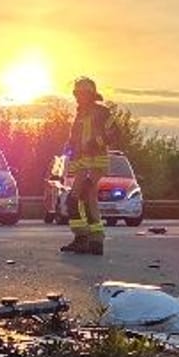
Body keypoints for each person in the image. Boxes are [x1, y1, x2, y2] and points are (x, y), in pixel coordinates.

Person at [60, 77, 116, 256]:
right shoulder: (80, 114)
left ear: (90, 94)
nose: (77, 97)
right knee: (78, 198)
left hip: (95, 161)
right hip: (82, 162)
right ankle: (86, 239)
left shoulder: (101, 112)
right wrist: (69, 146)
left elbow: (115, 133)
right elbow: (75, 137)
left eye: (81, 93)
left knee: (83, 196)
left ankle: (92, 239)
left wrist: (96, 142)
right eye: (76, 93)